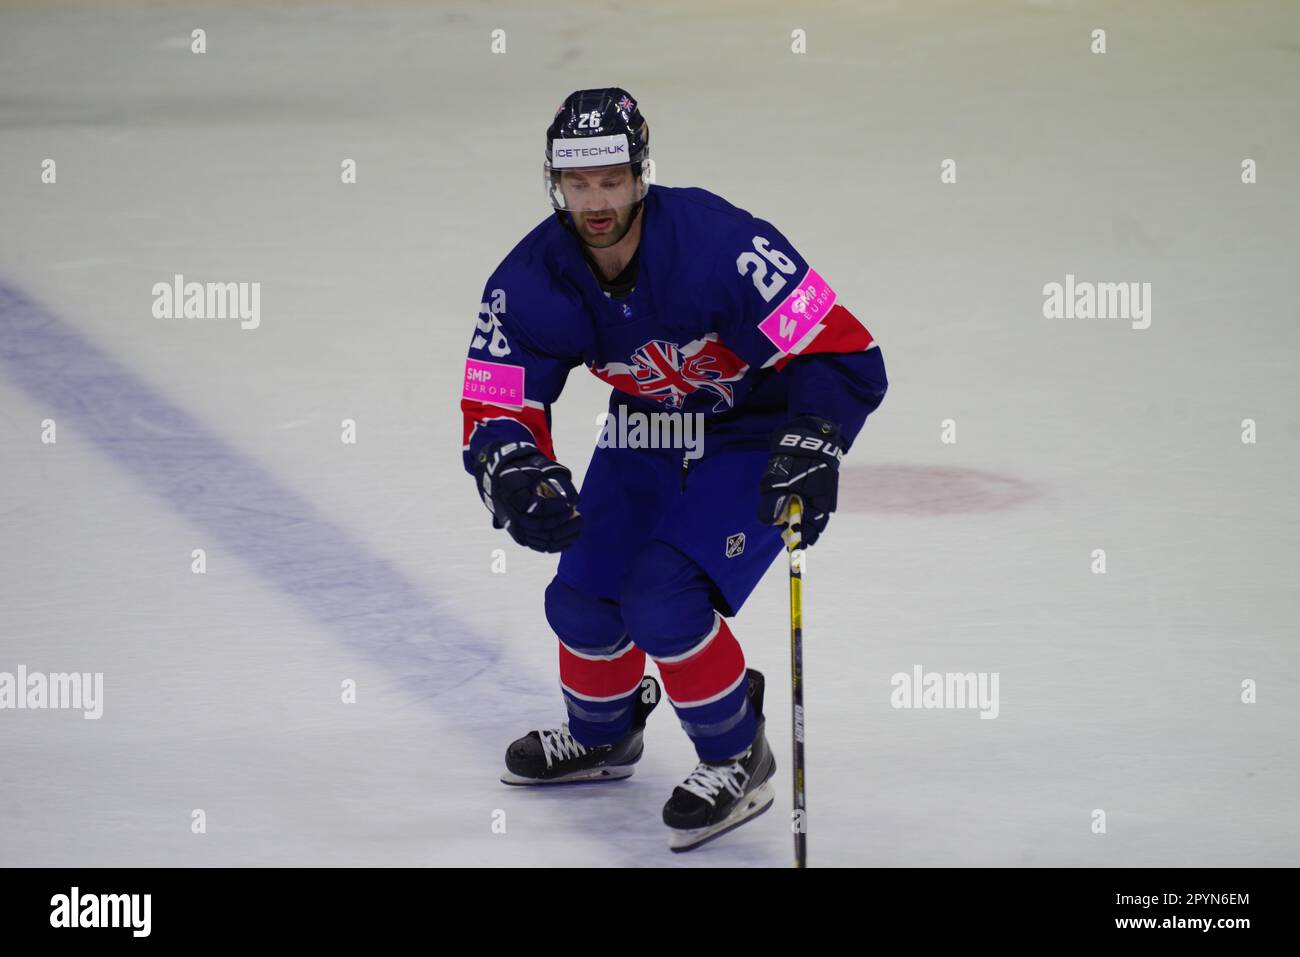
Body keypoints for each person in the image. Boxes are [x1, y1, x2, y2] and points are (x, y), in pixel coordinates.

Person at [460, 88, 888, 851]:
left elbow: (841, 345)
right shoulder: (533, 275)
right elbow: (497, 390)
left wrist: (816, 435)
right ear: (554, 181)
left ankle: (736, 755)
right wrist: (512, 461)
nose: (596, 202)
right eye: (578, 182)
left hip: (756, 428)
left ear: (641, 174)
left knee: (662, 597)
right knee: (584, 597)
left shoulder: (719, 244)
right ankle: (603, 737)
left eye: (612, 180)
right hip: (649, 425)